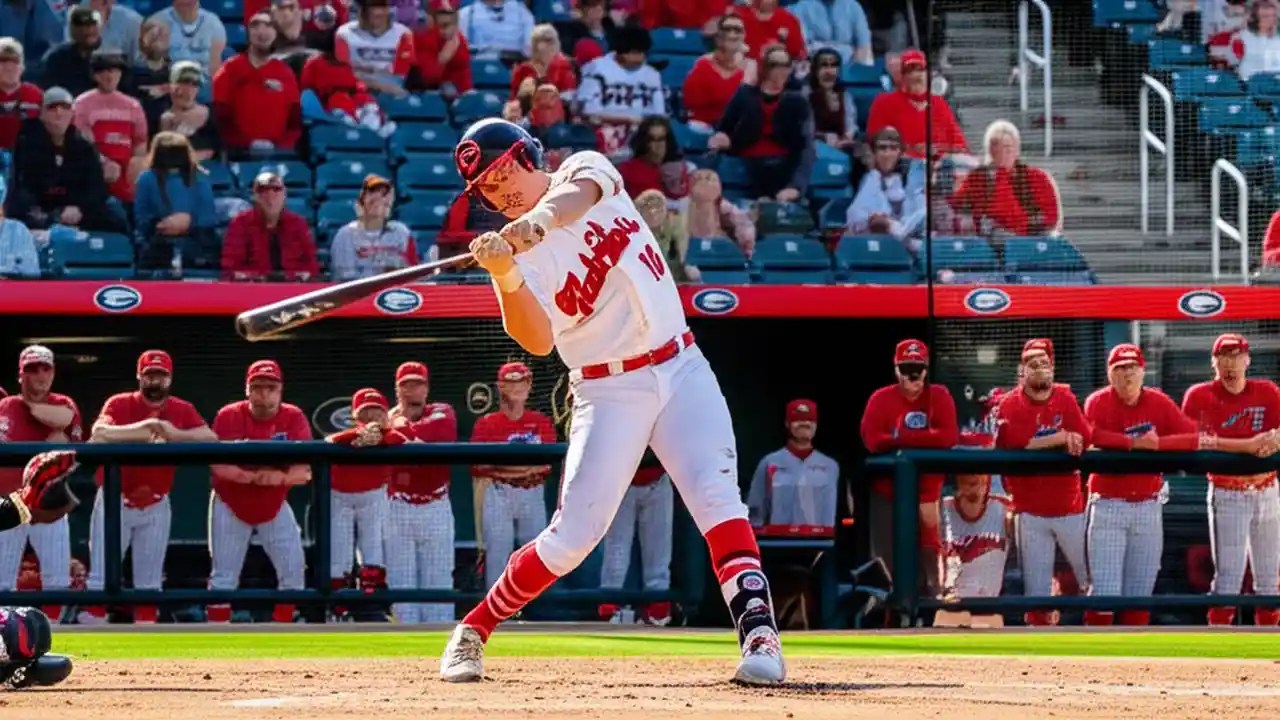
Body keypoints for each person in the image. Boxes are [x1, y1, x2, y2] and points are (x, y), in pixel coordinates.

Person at [440, 118, 785, 685]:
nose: (496, 191)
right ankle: (473, 631)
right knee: (574, 536)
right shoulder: (518, 258)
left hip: (680, 365)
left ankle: (759, 635)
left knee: (717, 498)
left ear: (529, 156)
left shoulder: (581, 168)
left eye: (502, 173)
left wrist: (535, 224)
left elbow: (578, 197)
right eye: (485, 189)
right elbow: (537, 339)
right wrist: (504, 273)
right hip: (607, 387)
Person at [82, 349, 216, 624]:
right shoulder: (120, 403)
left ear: (170, 378)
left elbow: (210, 437)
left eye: (161, 375)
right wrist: (147, 428)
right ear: (139, 376)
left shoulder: (181, 408)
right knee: (101, 575)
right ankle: (91, 634)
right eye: (149, 375)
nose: (155, 381)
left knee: (150, 579)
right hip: (114, 499)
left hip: (155, 501)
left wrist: (172, 433)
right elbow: (98, 435)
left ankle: (145, 641)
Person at [1081, 344, 1201, 626]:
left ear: (1143, 371)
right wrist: (1133, 443)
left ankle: (1135, 667)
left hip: (1148, 504)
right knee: (1105, 594)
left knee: (1140, 594)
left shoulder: (1158, 402)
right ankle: (1092, 663)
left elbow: (1192, 435)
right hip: (1108, 503)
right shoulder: (1098, 401)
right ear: (1110, 374)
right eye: (1120, 369)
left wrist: (1159, 444)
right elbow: (1090, 434)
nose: (1127, 375)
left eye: (1132, 368)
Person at [1181, 333, 1280, 626]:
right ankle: (1218, 657)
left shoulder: (1267, 391)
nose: (1230, 364)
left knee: (1269, 581)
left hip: (1267, 489)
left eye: (1237, 357)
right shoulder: (1199, 395)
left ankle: (1269, 655)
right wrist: (1248, 446)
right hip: (1228, 491)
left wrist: (1274, 442)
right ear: (1213, 363)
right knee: (1227, 579)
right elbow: (1190, 440)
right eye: (1223, 358)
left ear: (1247, 360)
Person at [992, 338, 1093, 626]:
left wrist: (1067, 439)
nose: (1039, 367)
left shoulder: (1065, 397)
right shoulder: (1010, 403)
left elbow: (1086, 436)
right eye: (1032, 363)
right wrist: (1060, 438)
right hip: (1030, 510)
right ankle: (1038, 650)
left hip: (1070, 507)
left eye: (1044, 362)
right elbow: (1019, 442)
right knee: (1036, 592)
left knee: (1092, 580)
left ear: (1052, 368)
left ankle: (1102, 642)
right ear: (1021, 370)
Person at [208, 360, 311, 624]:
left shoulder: (293, 416)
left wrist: (279, 477)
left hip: (273, 502)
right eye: (257, 387)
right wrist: (252, 476)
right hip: (231, 501)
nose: (264, 393)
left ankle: (284, 630)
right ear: (247, 389)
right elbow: (217, 465)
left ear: (280, 389)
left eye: (270, 387)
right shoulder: (229, 415)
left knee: (294, 570)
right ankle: (216, 634)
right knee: (224, 576)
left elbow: (306, 471)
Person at [859, 339, 957, 599]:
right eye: (906, 369)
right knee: (886, 563)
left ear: (926, 369)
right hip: (888, 492)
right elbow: (871, 440)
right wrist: (924, 437)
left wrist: (899, 437)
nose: (913, 376)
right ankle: (889, 618)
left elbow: (947, 437)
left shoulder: (939, 395)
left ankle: (931, 616)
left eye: (918, 368)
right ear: (896, 369)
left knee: (930, 563)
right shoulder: (881, 398)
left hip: (928, 493)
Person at [0, 346, 82, 624]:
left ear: (53, 372)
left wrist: (31, 406)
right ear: (20, 374)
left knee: (57, 582)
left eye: (45, 369)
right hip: (9, 502)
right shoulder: (6, 407)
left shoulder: (64, 403)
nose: (39, 375)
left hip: (49, 506)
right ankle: (6, 641)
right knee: (2, 582)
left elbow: (65, 427)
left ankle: (54, 635)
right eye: (32, 369)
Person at [469, 361, 557, 590]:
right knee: (498, 555)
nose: (517, 387)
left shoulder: (540, 421)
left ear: (529, 386)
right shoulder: (487, 423)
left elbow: (547, 466)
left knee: (536, 555)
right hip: (499, 493)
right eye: (511, 382)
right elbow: (479, 467)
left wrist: (507, 466)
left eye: (522, 381)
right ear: (500, 387)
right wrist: (524, 468)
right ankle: (496, 614)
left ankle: (537, 615)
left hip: (532, 493)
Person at [385, 361, 459, 624]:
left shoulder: (443, 411)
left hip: (435, 503)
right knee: (401, 584)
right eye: (405, 385)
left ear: (426, 388)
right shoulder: (387, 418)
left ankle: (439, 645)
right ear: (397, 389)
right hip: (398, 506)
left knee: (438, 581)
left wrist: (402, 431)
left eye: (417, 384)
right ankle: (405, 654)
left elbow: (443, 432)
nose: (411, 390)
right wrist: (407, 433)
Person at [324, 388, 408, 618]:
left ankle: (371, 607)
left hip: (373, 496)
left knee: (373, 553)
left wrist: (380, 435)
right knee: (338, 557)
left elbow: (400, 439)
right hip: (340, 497)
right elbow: (329, 441)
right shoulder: (346, 435)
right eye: (366, 412)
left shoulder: (391, 434)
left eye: (376, 411)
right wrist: (357, 437)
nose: (372, 416)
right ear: (356, 415)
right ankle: (337, 610)